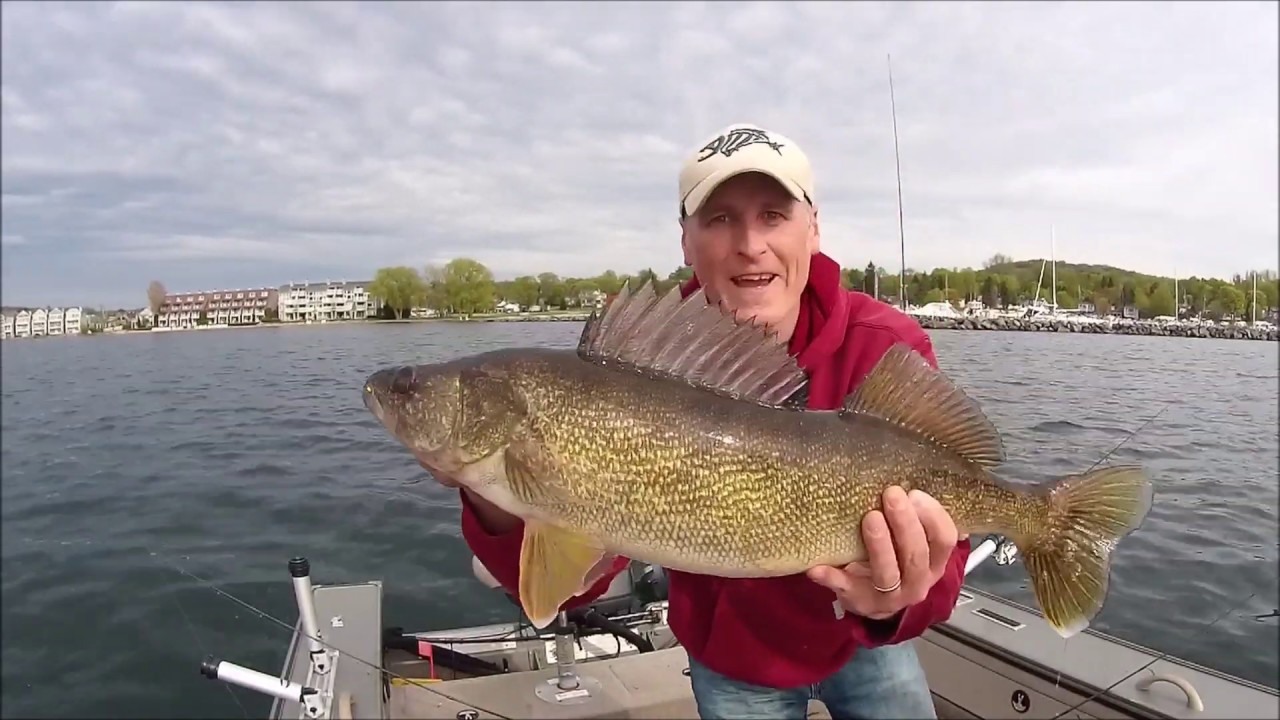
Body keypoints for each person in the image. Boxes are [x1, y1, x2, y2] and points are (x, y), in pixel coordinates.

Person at [421, 123, 970, 720]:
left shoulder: (885, 347)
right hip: (732, 660)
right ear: (686, 240)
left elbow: (950, 536)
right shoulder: (638, 364)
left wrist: (896, 605)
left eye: (773, 215)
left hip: (865, 642)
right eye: (720, 219)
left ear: (813, 229)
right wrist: (501, 496)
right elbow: (575, 583)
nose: (750, 244)